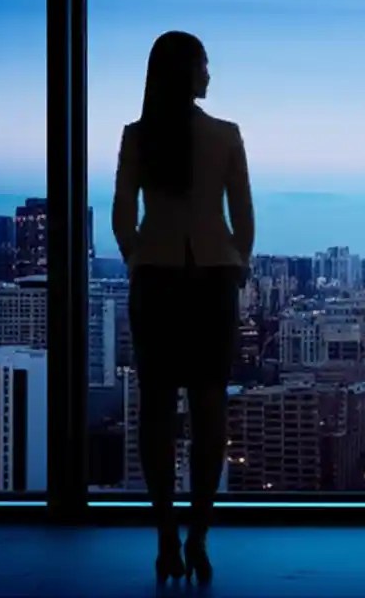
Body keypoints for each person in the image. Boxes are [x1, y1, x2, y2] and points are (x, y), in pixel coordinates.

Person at [113, 31, 254, 586]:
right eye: (204, 64)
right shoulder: (225, 136)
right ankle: (198, 537)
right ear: (187, 71)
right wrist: (236, 260)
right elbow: (242, 212)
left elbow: (124, 211)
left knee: (156, 411)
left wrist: (138, 257)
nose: (210, 75)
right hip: (212, 282)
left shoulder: (138, 136)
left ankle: (166, 538)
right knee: (209, 410)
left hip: (157, 283)